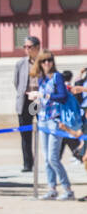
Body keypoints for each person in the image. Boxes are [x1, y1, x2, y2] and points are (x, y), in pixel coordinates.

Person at [32, 51, 77, 200]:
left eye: (49, 60)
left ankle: (67, 189)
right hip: (43, 119)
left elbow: (62, 96)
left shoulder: (57, 76)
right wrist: (35, 99)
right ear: (39, 63)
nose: (47, 63)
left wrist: (46, 96)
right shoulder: (41, 79)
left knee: (53, 157)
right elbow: (41, 100)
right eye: (44, 61)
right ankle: (52, 188)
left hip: (55, 120)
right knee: (46, 158)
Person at [13, 35, 39, 172]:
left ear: (37, 48)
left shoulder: (44, 62)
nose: (27, 49)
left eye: (29, 47)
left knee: (46, 130)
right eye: (25, 47)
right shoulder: (20, 63)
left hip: (40, 100)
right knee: (25, 134)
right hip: (25, 101)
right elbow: (16, 82)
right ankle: (28, 163)